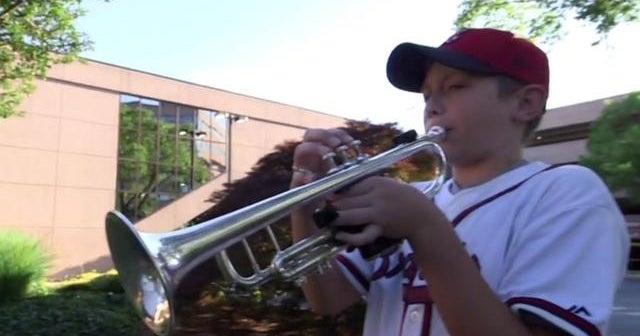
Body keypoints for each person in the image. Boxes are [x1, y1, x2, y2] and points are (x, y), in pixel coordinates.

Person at [289, 28, 630, 336]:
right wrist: (304, 201)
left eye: (454, 87)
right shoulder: (415, 198)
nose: (432, 107)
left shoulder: (565, 194)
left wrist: (425, 228)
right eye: (425, 96)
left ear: (526, 103)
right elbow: (328, 299)